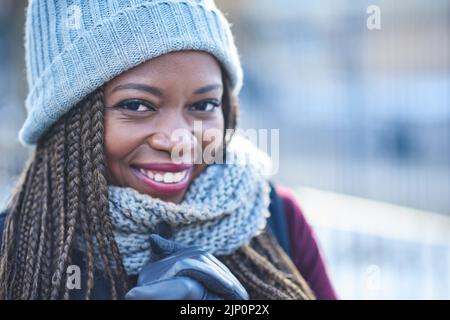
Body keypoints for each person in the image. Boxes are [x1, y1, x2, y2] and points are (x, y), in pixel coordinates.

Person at [0, 0, 336, 300]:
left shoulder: (277, 218)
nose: (180, 141)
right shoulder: (12, 250)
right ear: (67, 120)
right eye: (137, 105)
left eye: (204, 104)